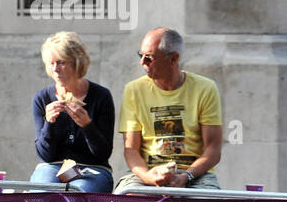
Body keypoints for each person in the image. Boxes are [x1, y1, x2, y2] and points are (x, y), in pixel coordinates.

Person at [114, 28, 222, 192]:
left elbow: (213, 150)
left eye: (149, 58)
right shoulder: (133, 90)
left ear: (173, 59)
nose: (142, 62)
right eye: (140, 55)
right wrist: (150, 177)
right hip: (148, 171)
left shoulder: (205, 88)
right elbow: (131, 151)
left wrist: (186, 176)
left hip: (195, 174)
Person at [30, 31, 115, 193]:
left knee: (81, 192)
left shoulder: (101, 96)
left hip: (92, 168)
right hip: (53, 167)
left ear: (77, 63)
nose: (55, 69)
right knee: (43, 191)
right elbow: (45, 156)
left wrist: (87, 125)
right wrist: (50, 123)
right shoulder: (42, 98)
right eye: (51, 63)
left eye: (61, 62)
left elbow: (103, 154)